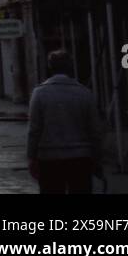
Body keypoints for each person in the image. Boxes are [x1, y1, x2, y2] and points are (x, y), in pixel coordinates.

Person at [27, 50, 104, 194]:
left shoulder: (39, 93)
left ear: (50, 67)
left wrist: (31, 157)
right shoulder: (85, 93)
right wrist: (97, 158)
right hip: (80, 158)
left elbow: (34, 129)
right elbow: (95, 131)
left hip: (49, 159)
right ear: (70, 67)